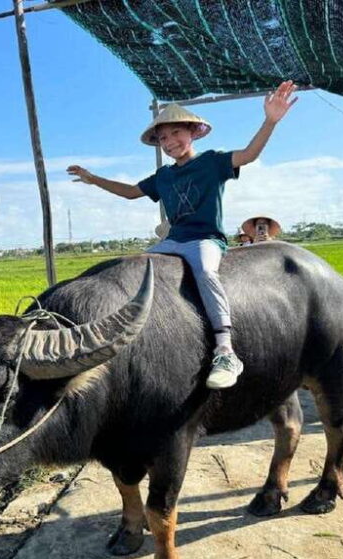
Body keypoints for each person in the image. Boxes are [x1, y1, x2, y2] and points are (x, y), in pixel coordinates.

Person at [67, 81, 298, 389]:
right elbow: (130, 192)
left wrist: (270, 121)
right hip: (173, 240)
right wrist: (93, 178)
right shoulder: (163, 176)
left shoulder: (212, 162)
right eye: (163, 137)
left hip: (204, 239)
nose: (170, 141)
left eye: (176, 133)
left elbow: (249, 154)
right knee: (136, 269)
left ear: (192, 132)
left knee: (204, 271)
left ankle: (226, 349)